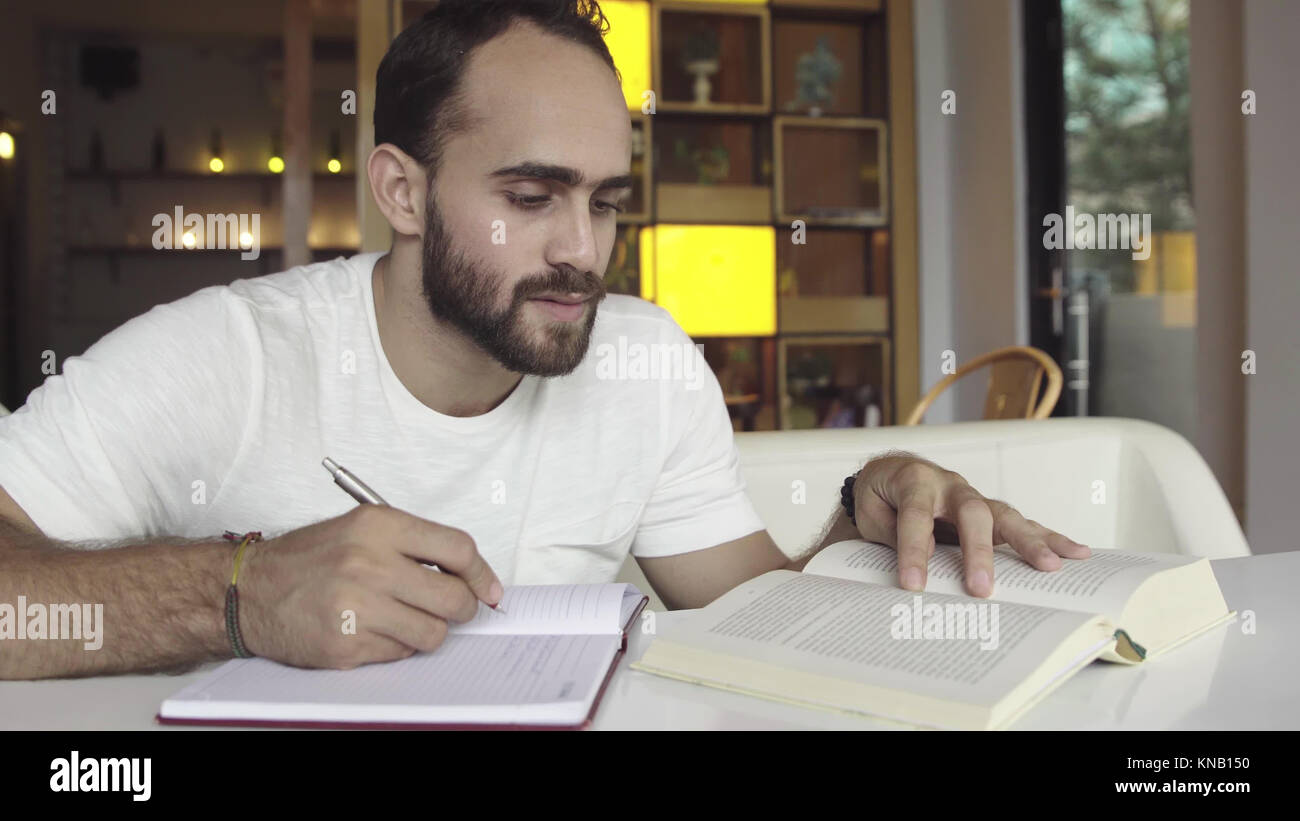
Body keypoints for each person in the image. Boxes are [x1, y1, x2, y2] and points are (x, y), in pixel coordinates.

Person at [0, 0, 1088, 680]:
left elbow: (758, 623)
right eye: (530, 195)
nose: (581, 249)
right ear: (402, 190)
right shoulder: (223, 358)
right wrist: (236, 591)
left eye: (607, 201)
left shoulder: (645, 361)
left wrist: (866, 507)